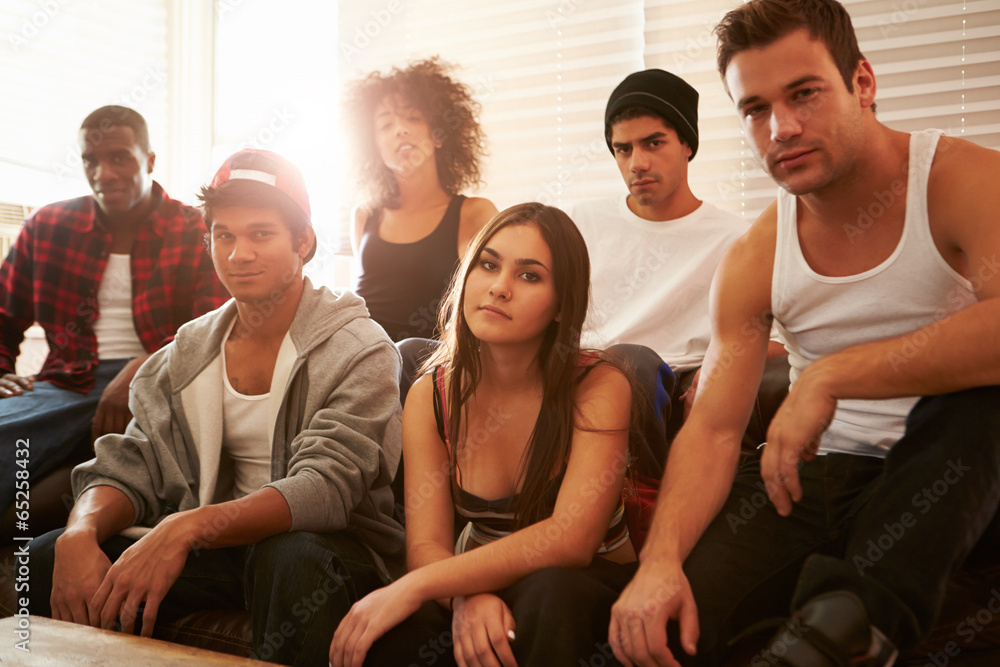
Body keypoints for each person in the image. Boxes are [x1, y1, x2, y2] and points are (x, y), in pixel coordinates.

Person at [608, 0, 1000, 664]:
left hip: (960, 469)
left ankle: (847, 625)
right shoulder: (757, 254)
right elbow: (714, 430)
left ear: (863, 84)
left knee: (983, 400)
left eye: (805, 94)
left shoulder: (961, 181)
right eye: (755, 109)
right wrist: (660, 561)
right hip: (821, 475)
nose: (781, 127)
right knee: (673, 633)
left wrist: (830, 374)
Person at [28, 149, 406, 666]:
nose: (238, 253)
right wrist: (80, 531)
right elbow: (131, 463)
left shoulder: (359, 347)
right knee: (49, 555)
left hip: (326, 551)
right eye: (223, 235)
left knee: (289, 556)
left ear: (304, 241)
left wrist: (184, 528)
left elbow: (327, 489)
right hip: (220, 555)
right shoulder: (186, 352)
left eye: (260, 234)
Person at [330, 203, 641, 667]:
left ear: (562, 305)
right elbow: (427, 545)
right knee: (393, 636)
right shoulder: (431, 395)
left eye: (530, 276)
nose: (499, 287)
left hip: (588, 592)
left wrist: (419, 586)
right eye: (489, 265)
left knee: (545, 594)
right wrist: (463, 598)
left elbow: (570, 540)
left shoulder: (599, 384)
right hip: (489, 582)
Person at [0, 105, 228, 522]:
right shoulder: (49, 226)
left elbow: (214, 329)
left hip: (164, 390)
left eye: (119, 157)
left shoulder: (197, 230)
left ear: (150, 160)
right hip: (69, 384)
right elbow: (3, 316)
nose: (103, 173)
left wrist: (144, 366)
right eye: (92, 160)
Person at [343, 57, 499, 343]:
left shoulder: (475, 214)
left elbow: (488, 305)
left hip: (433, 366)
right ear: (374, 147)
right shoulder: (364, 215)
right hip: (363, 361)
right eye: (386, 125)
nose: (400, 129)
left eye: (413, 118)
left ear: (439, 136)